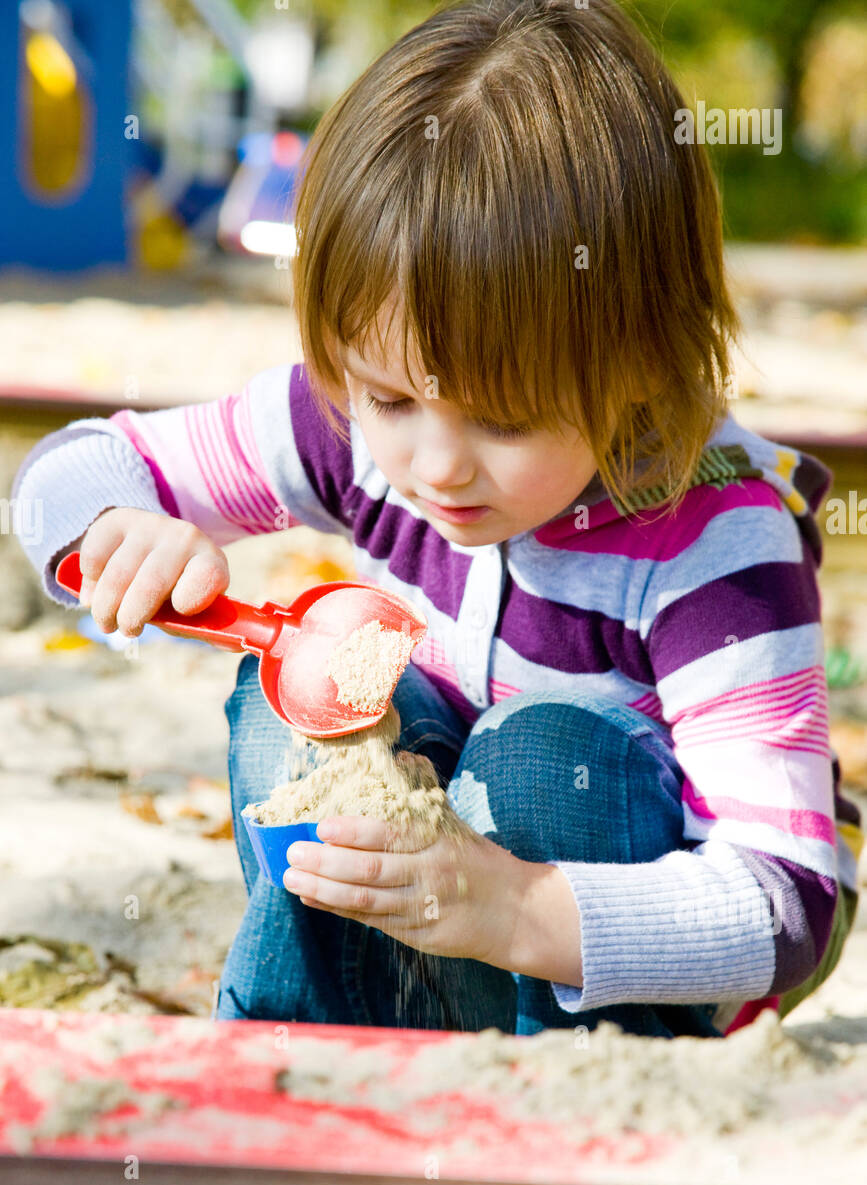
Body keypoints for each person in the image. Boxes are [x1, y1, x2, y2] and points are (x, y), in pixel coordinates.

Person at [13, 0, 861, 1038]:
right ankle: (302, 1029)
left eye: (506, 418)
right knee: (301, 703)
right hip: (443, 887)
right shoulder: (359, 426)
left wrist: (513, 907)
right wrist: (112, 526)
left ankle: (537, 1052)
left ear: (641, 366)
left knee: (536, 754)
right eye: (391, 396)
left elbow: (785, 904)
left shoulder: (714, 547)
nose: (434, 463)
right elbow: (74, 464)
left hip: (634, 936)